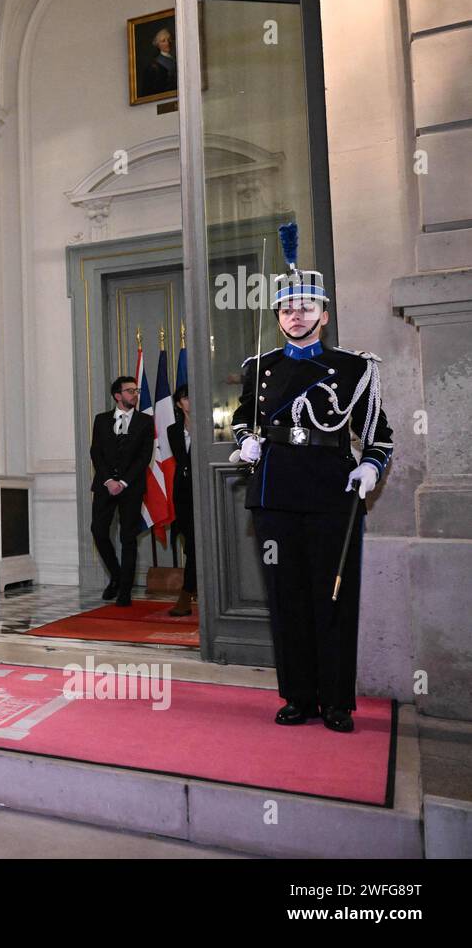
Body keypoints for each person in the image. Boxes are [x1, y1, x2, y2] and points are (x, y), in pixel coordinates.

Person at [233, 223, 393, 733]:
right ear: (279, 317)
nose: (294, 315)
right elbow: (243, 418)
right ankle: (298, 696)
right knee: (287, 597)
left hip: (330, 491)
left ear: (323, 314)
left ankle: (336, 701)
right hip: (275, 491)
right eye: (286, 309)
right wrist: (246, 442)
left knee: (333, 596)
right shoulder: (260, 366)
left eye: (304, 308)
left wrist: (370, 466)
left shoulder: (353, 368)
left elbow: (380, 435)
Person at [89, 376, 154, 607]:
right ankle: (116, 576)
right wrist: (108, 480)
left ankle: (125, 590)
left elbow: (144, 457)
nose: (135, 394)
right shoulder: (101, 420)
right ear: (117, 395)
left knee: (128, 537)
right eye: (129, 391)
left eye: (136, 390)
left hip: (131, 487)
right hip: (105, 486)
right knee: (98, 530)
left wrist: (123, 482)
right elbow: (96, 452)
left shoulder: (145, 421)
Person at [167, 384, 196, 617]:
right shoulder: (172, 430)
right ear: (179, 403)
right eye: (185, 398)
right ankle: (190, 591)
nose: (190, 401)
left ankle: (186, 594)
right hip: (183, 494)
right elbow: (181, 461)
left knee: (198, 546)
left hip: (204, 490)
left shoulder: (210, 425)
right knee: (191, 545)